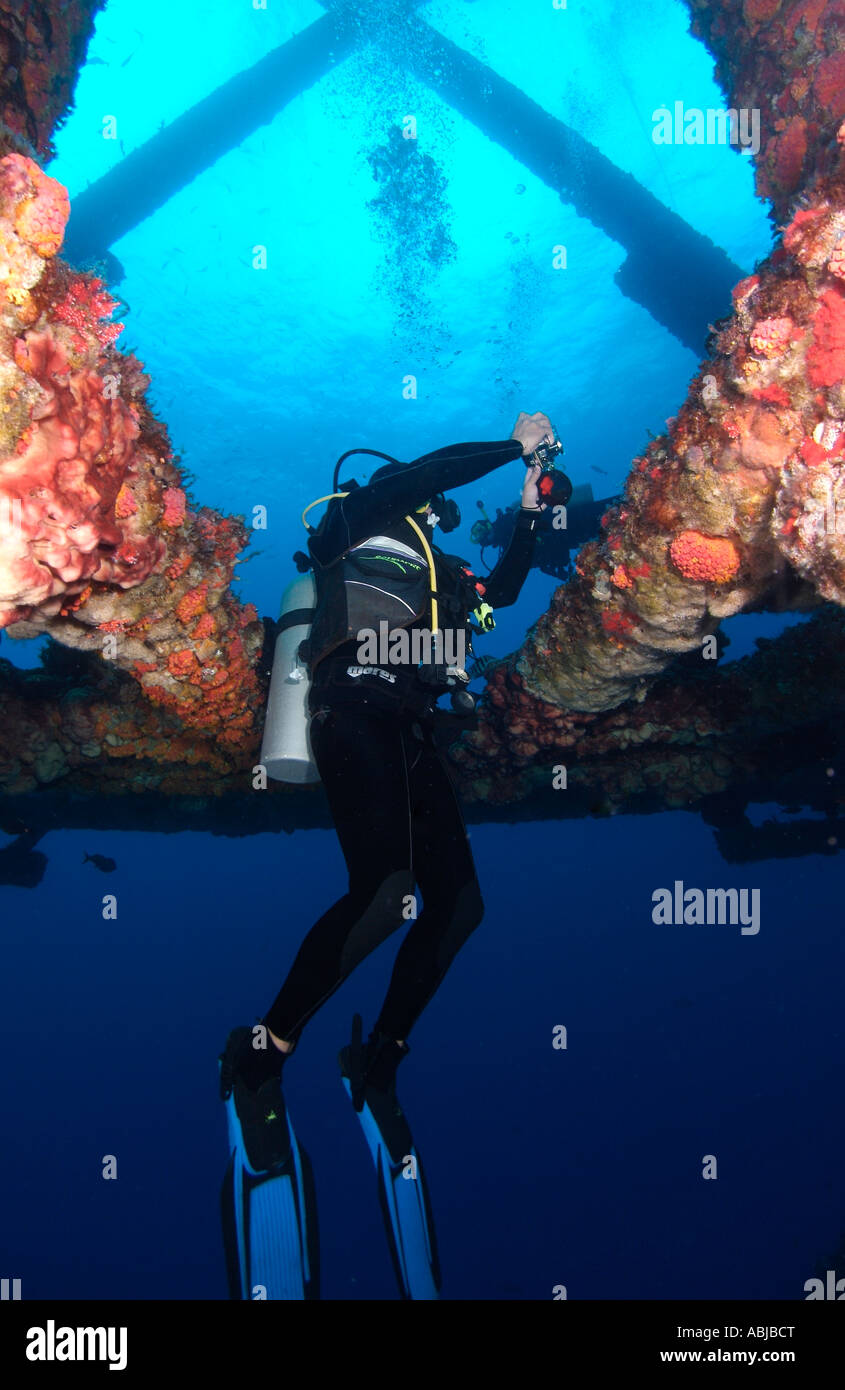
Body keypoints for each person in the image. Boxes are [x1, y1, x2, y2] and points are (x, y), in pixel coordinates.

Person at [220, 410, 556, 1300]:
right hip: (347, 706)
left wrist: (527, 508)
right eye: (438, 503)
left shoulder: (443, 578)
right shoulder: (355, 518)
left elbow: (506, 596)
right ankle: (259, 1053)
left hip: (407, 726)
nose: (443, 513)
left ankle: (379, 1063)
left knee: (459, 907)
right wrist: (507, 447)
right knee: (387, 891)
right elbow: (427, 474)